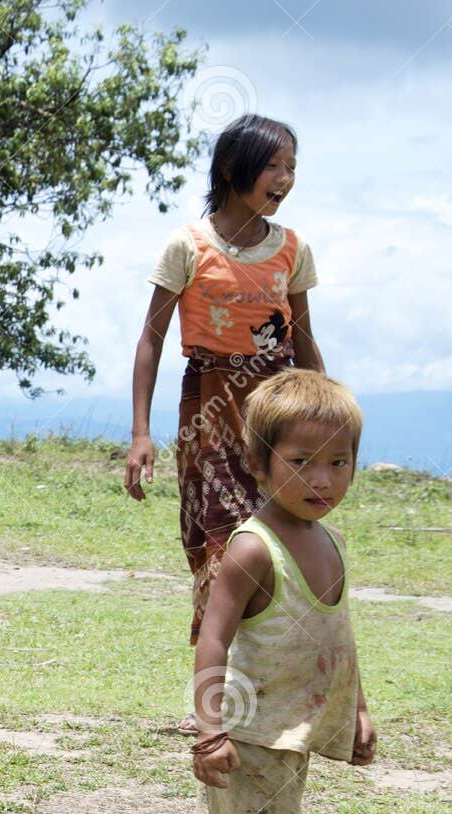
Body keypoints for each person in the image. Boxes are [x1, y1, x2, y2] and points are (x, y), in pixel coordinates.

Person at [137, 369, 376, 814]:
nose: (322, 479)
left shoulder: (331, 542)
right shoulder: (253, 547)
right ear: (260, 465)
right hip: (251, 736)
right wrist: (208, 730)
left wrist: (356, 708)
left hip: (290, 731)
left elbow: (341, 637)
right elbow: (211, 643)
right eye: (301, 462)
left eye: (338, 462)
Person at [123, 114, 325, 730]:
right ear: (234, 169)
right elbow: (152, 339)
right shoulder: (188, 246)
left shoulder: (292, 249)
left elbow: (305, 340)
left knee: (278, 546)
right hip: (207, 411)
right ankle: (217, 703)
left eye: (292, 168)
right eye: (273, 166)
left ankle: (267, 689)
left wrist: (329, 417)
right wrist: (140, 433)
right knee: (216, 545)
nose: (285, 179)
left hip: (278, 410)